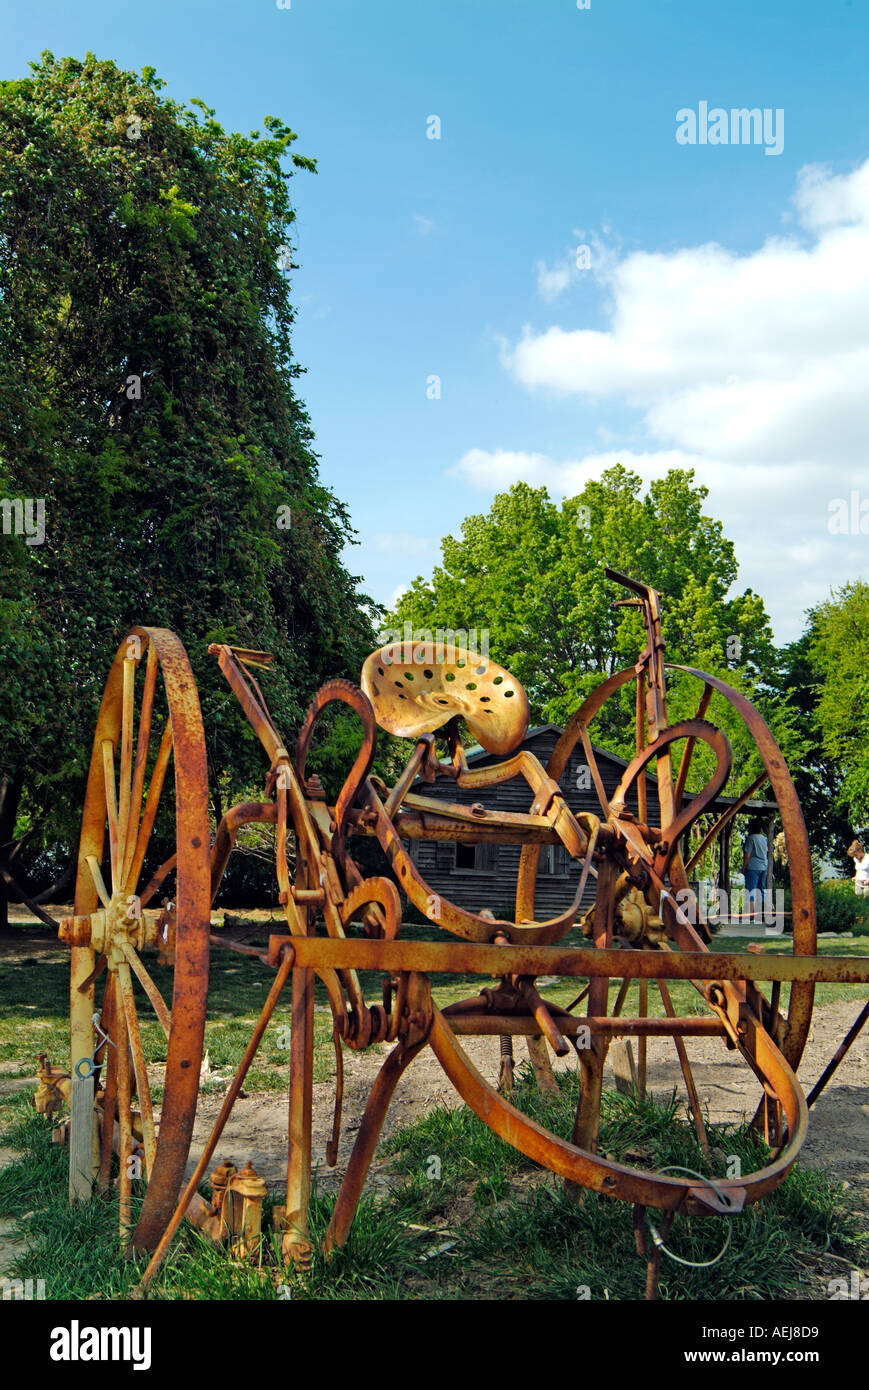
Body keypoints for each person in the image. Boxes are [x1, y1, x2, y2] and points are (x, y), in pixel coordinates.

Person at [742, 818, 769, 917]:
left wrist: (744, 867)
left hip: (753, 867)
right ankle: (762, 913)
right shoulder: (764, 839)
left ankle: (751, 914)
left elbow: (747, 855)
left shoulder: (751, 838)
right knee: (761, 890)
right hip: (764, 866)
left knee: (751, 891)